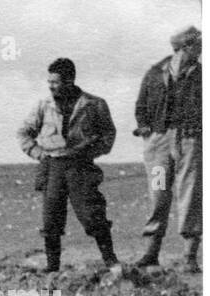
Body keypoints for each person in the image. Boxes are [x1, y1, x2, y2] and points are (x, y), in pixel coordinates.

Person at [17, 58, 119, 273]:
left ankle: (111, 261)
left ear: (70, 80)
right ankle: (52, 268)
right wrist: (39, 154)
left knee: (93, 215)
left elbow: (108, 135)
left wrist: (90, 152)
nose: (51, 86)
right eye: (49, 82)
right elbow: (24, 133)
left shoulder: (94, 104)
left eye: (55, 82)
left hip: (80, 168)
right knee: (51, 220)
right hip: (52, 167)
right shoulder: (43, 105)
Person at [135, 26, 202, 272]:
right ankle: (151, 253)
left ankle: (189, 257)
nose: (202, 48)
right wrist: (146, 130)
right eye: (197, 44)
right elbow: (140, 105)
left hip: (190, 142)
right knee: (158, 192)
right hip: (159, 144)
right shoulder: (154, 73)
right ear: (183, 47)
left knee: (190, 195)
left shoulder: (202, 74)